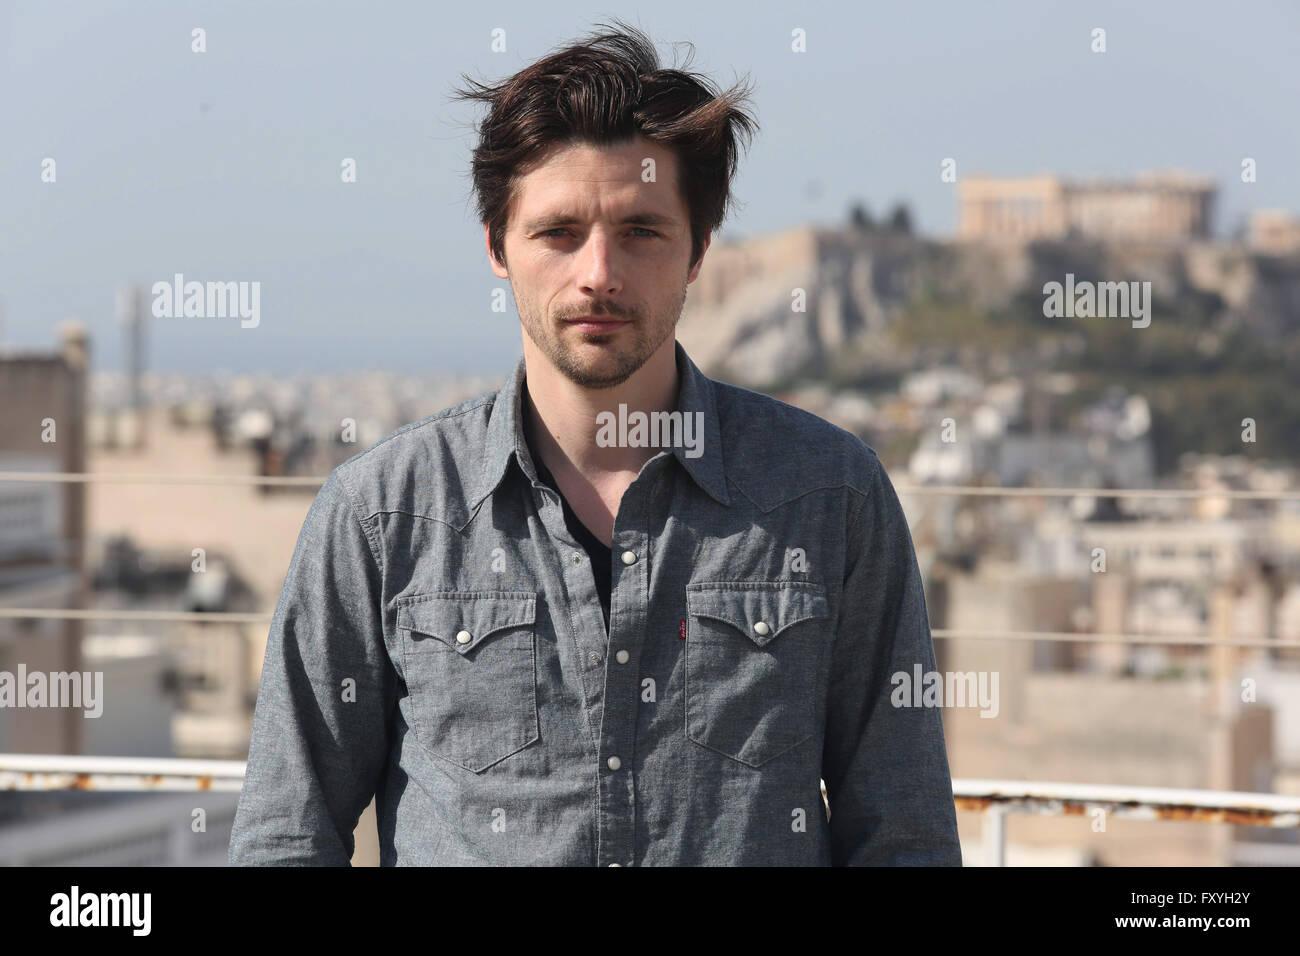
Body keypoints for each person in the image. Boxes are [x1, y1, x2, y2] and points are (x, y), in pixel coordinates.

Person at [228, 19, 961, 866]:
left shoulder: (829, 494)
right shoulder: (383, 514)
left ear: (698, 252)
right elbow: (286, 834)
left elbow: (903, 832)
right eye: (559, 232)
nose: (599, 274)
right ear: (497, 247)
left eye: (642, 231)